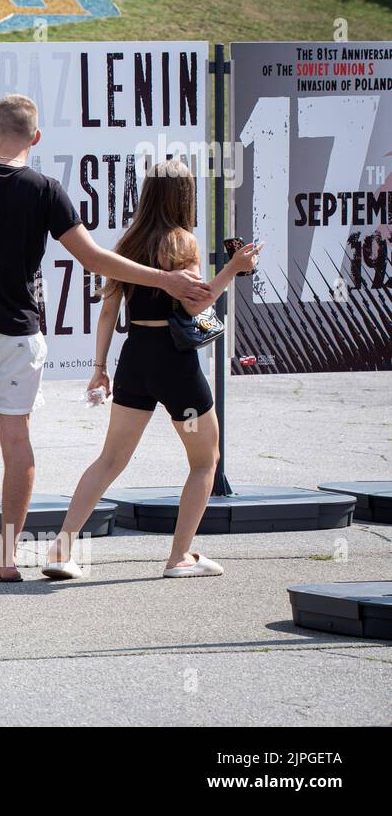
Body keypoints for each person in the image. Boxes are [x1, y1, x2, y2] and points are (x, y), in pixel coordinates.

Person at [0, 96, 212, 585]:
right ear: (36, 138)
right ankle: (7, 557)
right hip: (20, 336)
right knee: (17, 442)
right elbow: (95, 260)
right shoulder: (46, 189)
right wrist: (166, 280)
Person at [42, 160, 262, 581]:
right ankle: (179, 557)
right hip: (175, 365)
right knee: (204, 460)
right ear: (185, 195)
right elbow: (198, 303)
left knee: (109, 459)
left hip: (135, 358)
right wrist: (234, 269)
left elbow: (108, 309)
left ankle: (60, 549)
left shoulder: (129, 242)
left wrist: (100, 367)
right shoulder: (183, 243)